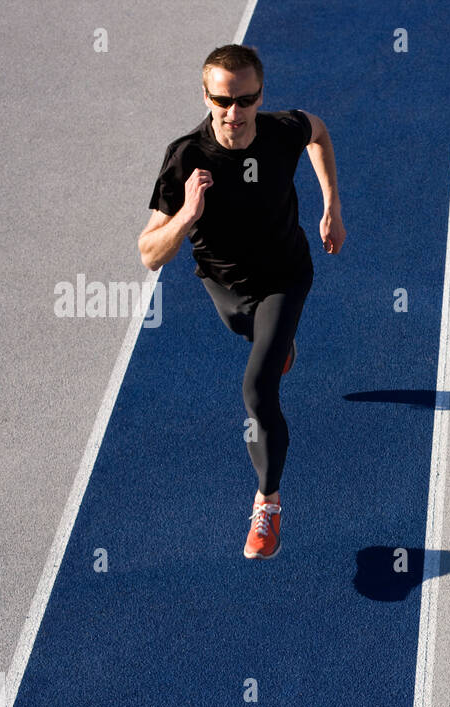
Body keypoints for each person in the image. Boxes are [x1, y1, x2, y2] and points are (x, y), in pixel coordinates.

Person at [137, 44, 346, 559]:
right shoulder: (186, 156)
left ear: (260, 95)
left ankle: (267, 505)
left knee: (258, 388)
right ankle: (275, 344)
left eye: (246, 99)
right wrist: (185, 216)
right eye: (222, 100)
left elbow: (317, 130)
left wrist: (331, 205)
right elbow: (148, 254)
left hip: (285, 276)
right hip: (224, 285)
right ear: (205, 95)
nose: (235, 113)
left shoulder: (280, 130)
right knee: (246, 331)